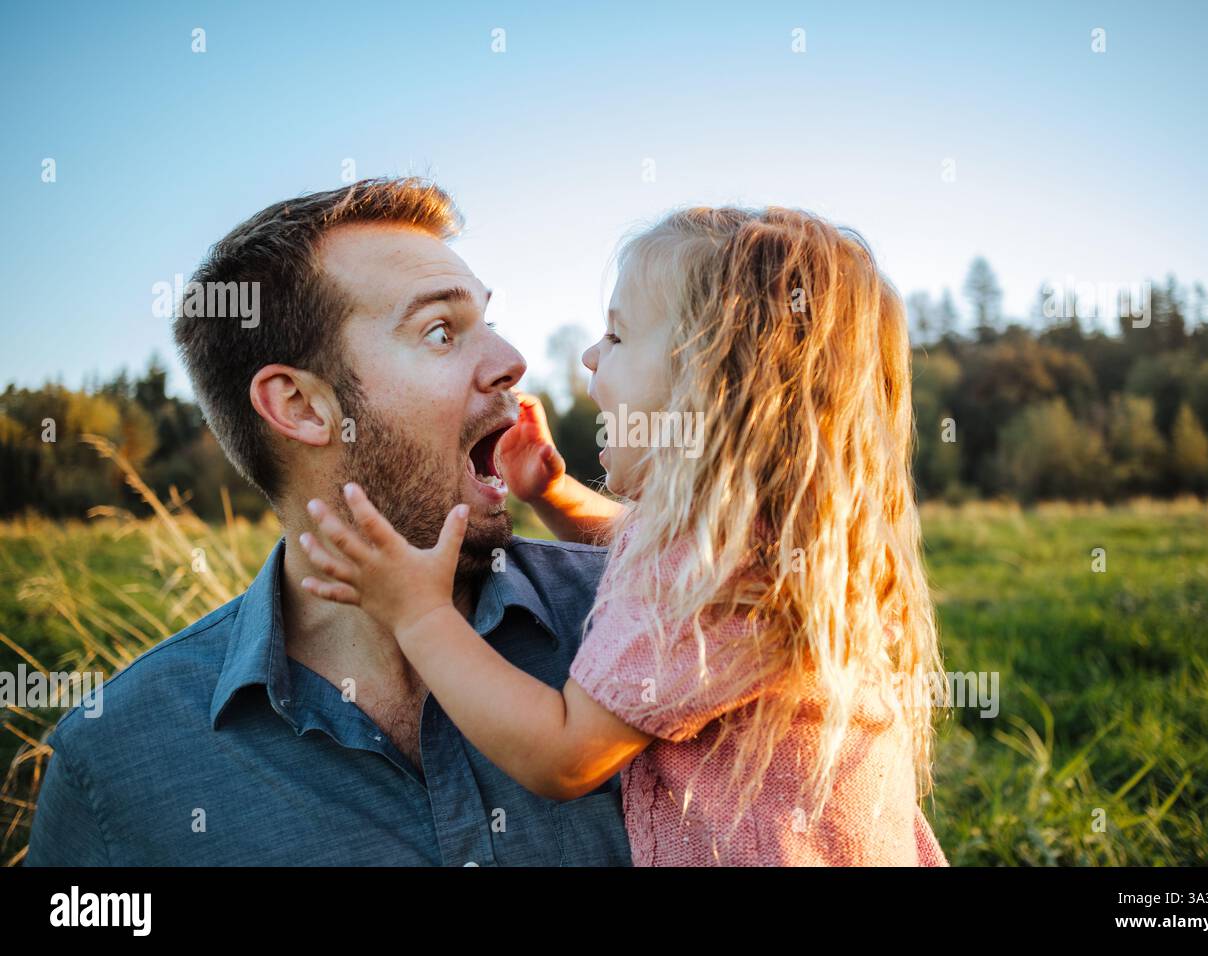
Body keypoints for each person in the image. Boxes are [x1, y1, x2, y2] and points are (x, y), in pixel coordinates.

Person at [299, 206, 950, 866]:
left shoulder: (711, 566)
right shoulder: (769, 541)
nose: (588, 354)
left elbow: (563, 753)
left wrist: (419, 613)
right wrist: (556, 496)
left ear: (710, 384)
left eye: (615, 337)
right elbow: (642, 546)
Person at [25, 178, 631, 866]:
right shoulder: (116, 766)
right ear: (302, 407)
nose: (510, 361)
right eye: (441, 331)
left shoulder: (656, 624)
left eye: (488, 322)